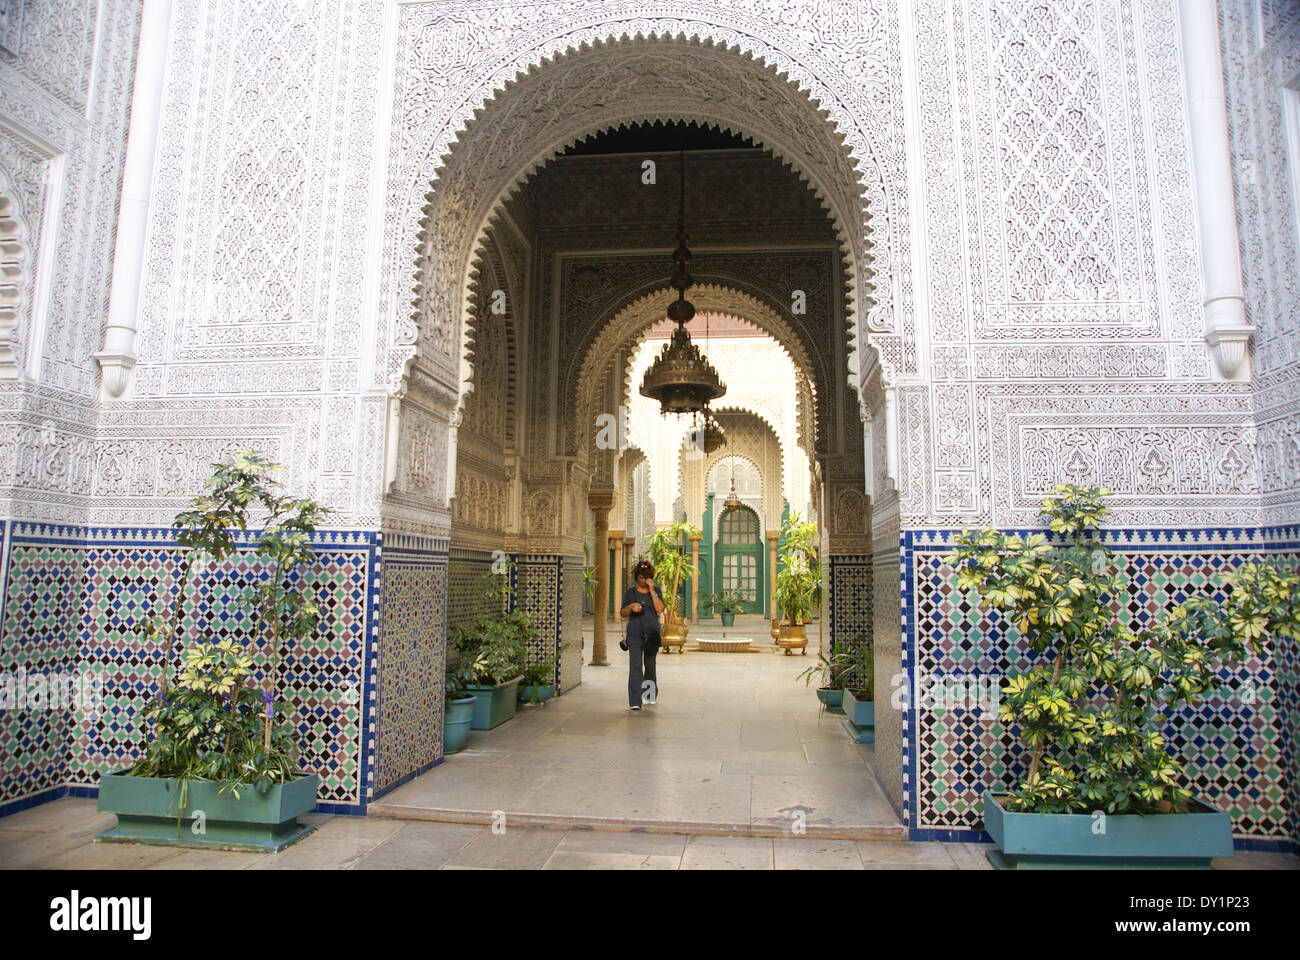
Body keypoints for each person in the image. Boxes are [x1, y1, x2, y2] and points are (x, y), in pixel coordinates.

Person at [620, 560, 665, 710]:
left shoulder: (656, 590)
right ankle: (634, 701)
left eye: (646, 578)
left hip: (652, 634)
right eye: (640, 577)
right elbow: (622, 612)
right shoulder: (630, 592)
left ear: (650, 578)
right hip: (634, 634)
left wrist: (652, 591)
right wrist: (630, 607)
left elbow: (659, 609)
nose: (643, 581)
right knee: (635, 666)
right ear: (636, 577)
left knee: (650, 665)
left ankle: (649, 695)